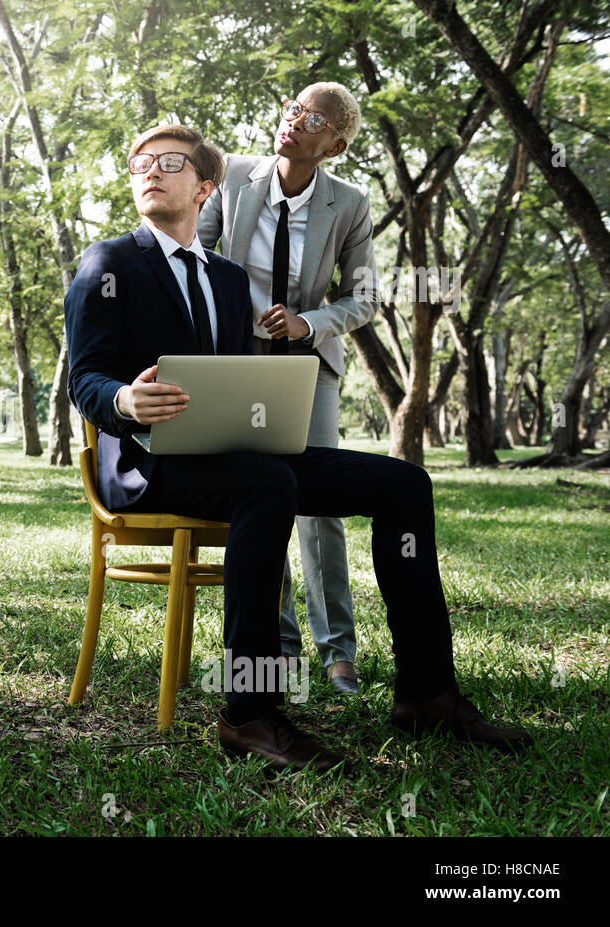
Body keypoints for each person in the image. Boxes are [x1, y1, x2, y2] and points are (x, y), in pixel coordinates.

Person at [64, 122, 533, 771]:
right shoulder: (108, 263)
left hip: (234, 452)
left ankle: (427, 692)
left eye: (167, 161)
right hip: (149, 464)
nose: (149, 168)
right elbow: (83, 378)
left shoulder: (228, 280)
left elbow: (232, 380)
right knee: (268, 483)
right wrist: (123, 399)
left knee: (404, 485)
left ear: (204, 187)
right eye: (140, 160)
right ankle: (249, 710)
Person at [197, 83, 375, 695]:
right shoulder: (233, 176)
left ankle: (338, 652)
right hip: (240, 363)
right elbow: (195, 251)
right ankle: (277, 646)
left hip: (307, 364)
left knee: (319, 502)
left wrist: (309, 322)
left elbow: (363, 297)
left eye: (315, 118)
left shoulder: (348, 204)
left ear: (336, 143)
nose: (296, 121)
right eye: (292, 109)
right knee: (262, 496)